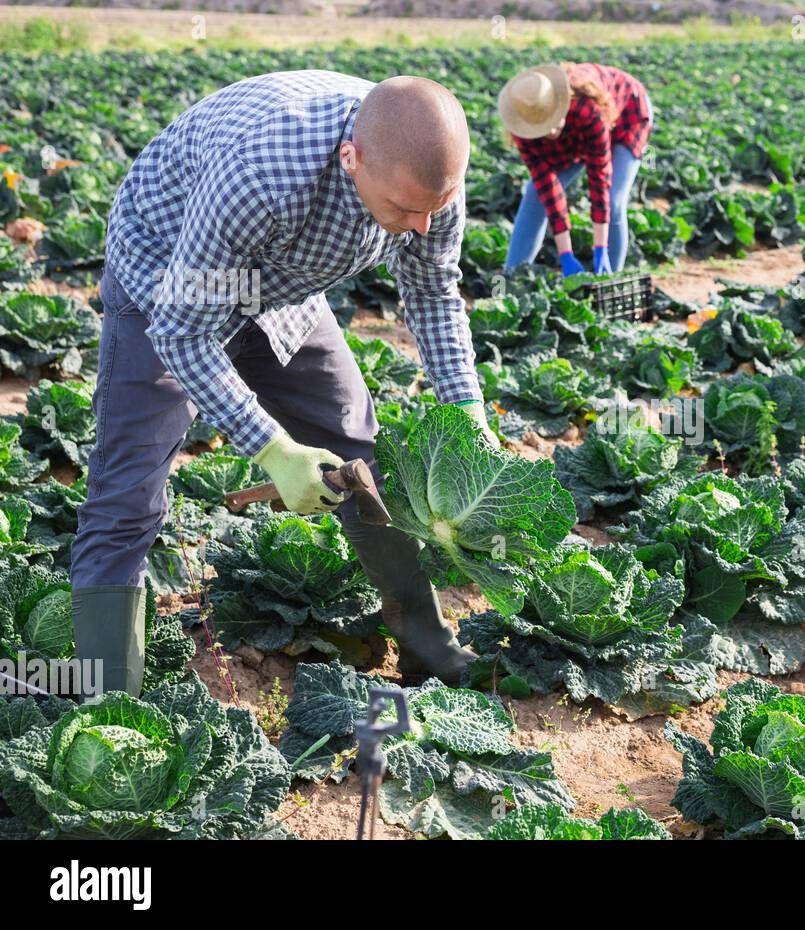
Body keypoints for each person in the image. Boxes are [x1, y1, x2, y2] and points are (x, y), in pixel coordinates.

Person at [73, 70, 494, 696]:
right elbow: (183, 332)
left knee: (356, 451)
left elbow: (432, 291)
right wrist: (273, 450)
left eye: (435, 207)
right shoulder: (262, 176)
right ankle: (107, 702)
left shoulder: (427, 174)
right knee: (127, 497)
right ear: (350, 159)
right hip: (168, 283)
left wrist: (466, 411)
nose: (422, 226)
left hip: (282, 289)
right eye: (405, 210)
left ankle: (430, 650)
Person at [499, 62, 653, 277]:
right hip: (575, 132)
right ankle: (511, 278)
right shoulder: (525, 128)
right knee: (535, 193)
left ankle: (609, 280)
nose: (551, 131)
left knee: (613, 199)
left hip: (628, 111)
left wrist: (600, 250)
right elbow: (548, 188)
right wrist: (566, 254)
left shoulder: (587, 109)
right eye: (542, 127)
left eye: (552, 120)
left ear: (560, 105)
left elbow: (599, 177)